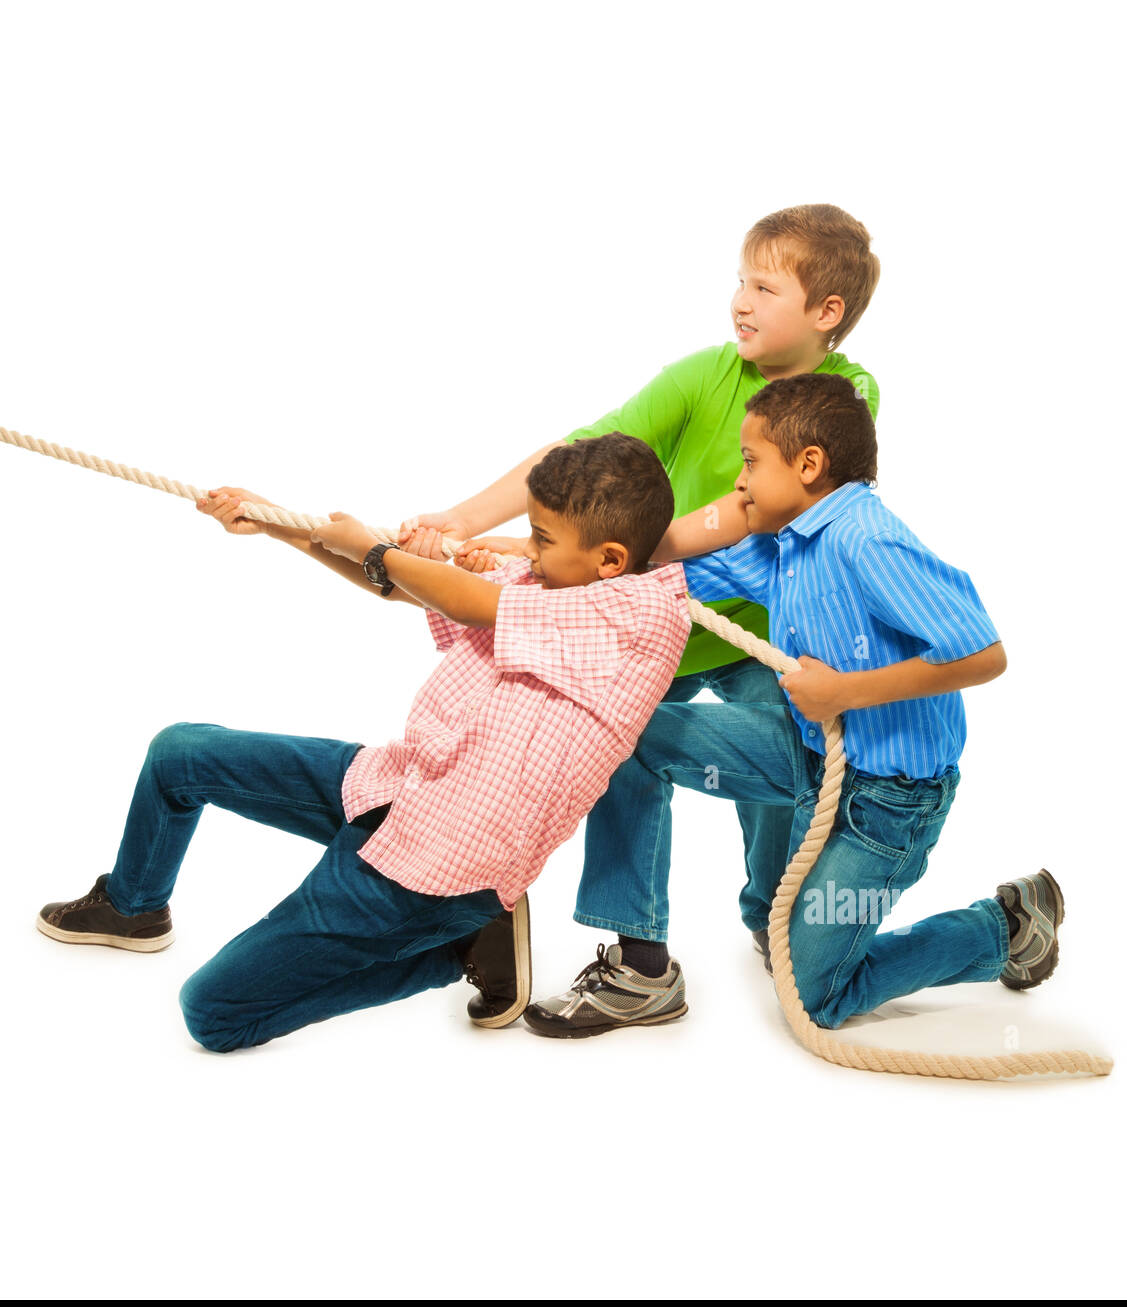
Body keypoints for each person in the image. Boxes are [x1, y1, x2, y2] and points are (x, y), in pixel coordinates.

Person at [35, 434, 691, 1052]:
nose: (526, 546)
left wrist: (375, 548)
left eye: (541, 537)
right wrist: (283, 527)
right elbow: (398, 585)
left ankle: (448, 951)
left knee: (211, 1014)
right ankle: (132, 909)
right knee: (179, 753)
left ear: (610, 558)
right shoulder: (556, 577)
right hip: (403, 787)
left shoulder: (641, 614)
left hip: (445, 868)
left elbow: (460, 599)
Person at [399, 203, 881, 978]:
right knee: (617, 755)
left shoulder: (846, 399)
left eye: (763, 287)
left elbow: (750, 509)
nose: (740, 301)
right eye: (738, 282)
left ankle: (773, 914)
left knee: (774, 776)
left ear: (826, 313)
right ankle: (638, 950)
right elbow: (579, 455)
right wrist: (464, 518)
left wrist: (607, 553)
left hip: (765, 632)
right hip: (658, 621)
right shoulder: (703, 373)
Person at [522, 374, 1063, 1038]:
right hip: (801, 752)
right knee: (625, 736)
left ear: (809, 466)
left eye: (750, 462)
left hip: (886, 804)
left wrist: (843, 692)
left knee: (811, 995)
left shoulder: (868, 540)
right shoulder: (777, 545)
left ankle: (1003, 929)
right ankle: (640, 963)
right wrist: (528, 558)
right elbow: (649, 570)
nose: (739, 482)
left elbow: (983, 654)